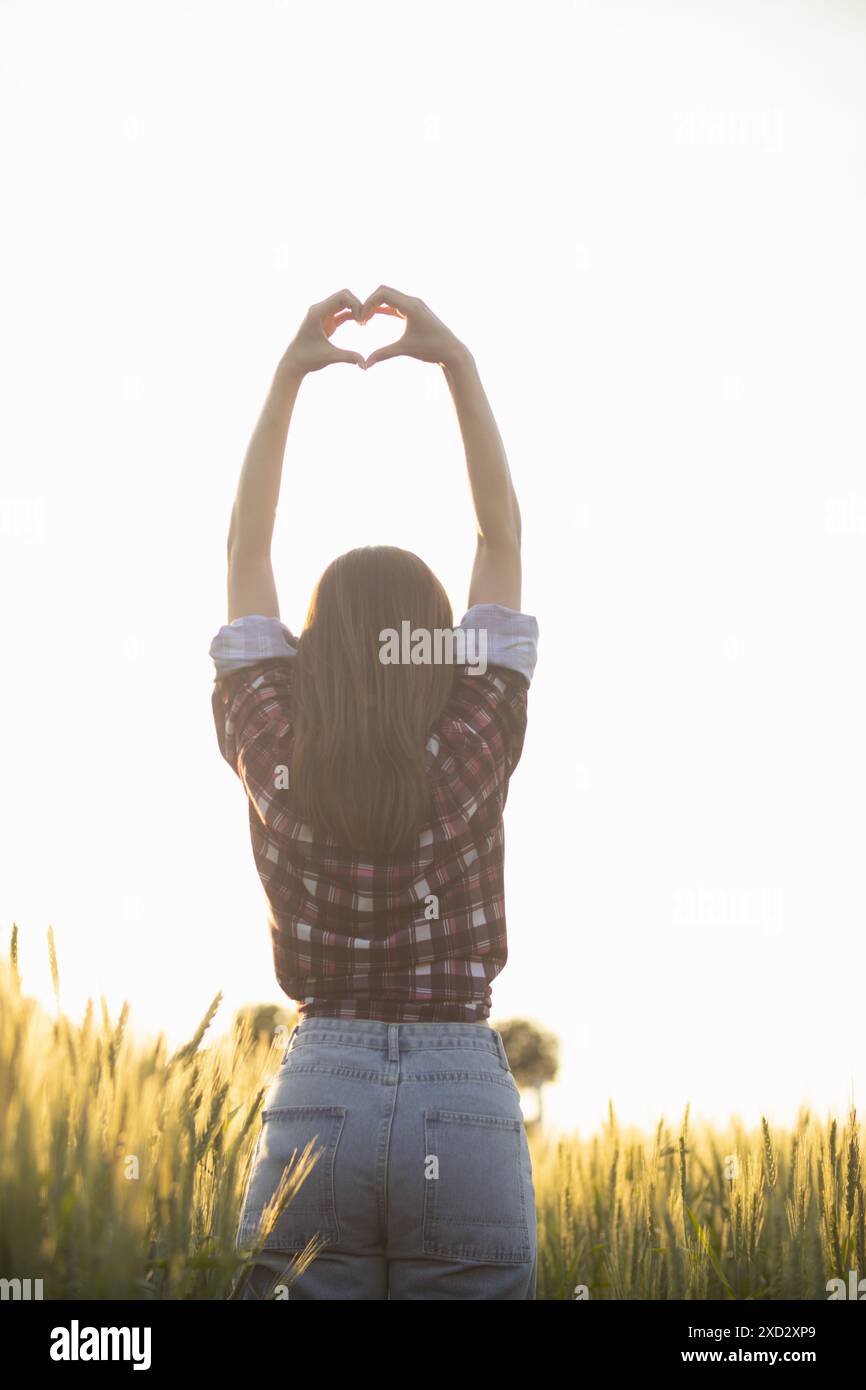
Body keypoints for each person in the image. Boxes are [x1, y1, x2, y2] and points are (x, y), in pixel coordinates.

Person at [209, 285, 539, 1300]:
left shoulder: (276, 745)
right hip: (463, 1097)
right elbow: (498, 538)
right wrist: (456, 367)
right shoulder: (474, 738)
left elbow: (246, 553)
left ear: (315, 654)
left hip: (322, 1098)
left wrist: (285, 380)